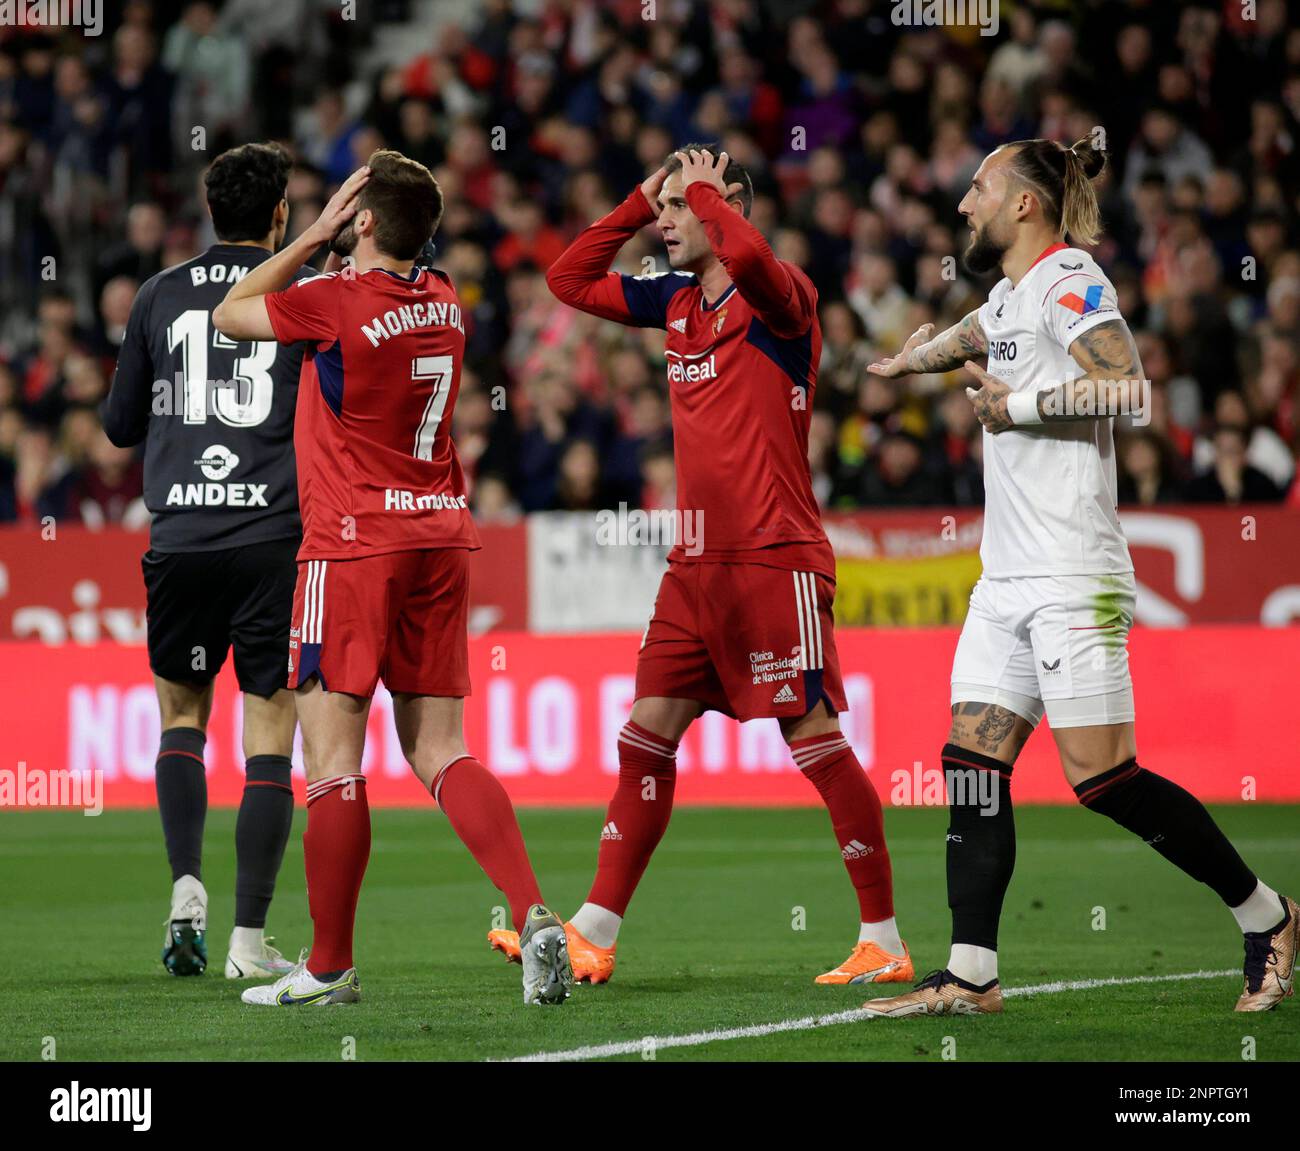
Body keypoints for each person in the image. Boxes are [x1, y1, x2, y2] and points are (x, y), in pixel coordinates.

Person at [862, 137, 1295, 1016]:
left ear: (1025, 203)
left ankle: (1268, 914)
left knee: (1103, 779)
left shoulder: (1070, 281)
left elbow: (1128, 387)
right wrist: (915, 361)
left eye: (978, 188)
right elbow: (976, 334)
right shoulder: (1013, 294)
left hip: (1074, 573)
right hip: (1005, 580)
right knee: (972, 764)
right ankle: (972, 971)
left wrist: (1012, 406)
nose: (963, 204)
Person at [488, 144, 911, 989]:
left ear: (728, 207)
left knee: (814, 738)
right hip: (694, 567)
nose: (669, 222)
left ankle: (886, 940)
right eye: (670, 207)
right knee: (645, 734)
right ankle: (595, 931)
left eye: (684, 207)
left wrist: (710, 196)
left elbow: (749, 255)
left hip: (773, 556)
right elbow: (567, 281)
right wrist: (638, 198)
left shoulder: (783, 300)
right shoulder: (675, 301)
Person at [212, 150, 572, 1006]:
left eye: (351, 207)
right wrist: (362, 234)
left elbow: (232, 311)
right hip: (440, 538)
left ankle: (330, 967)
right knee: (442, 748)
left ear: (361, 219)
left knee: (334, 760)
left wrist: (314, 236)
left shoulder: (333, 301)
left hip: (351, 543)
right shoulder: (446, 302)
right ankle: (534, 914)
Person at [101, 142, 306, 981]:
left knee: (182, 718)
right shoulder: (299, 291)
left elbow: (119, 426)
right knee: (270, 728)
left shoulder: (156, 295)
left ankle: (187, 893)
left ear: (207, 208)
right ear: (281, 216)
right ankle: (248, 944)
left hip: (181, 537)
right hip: (271, 538)